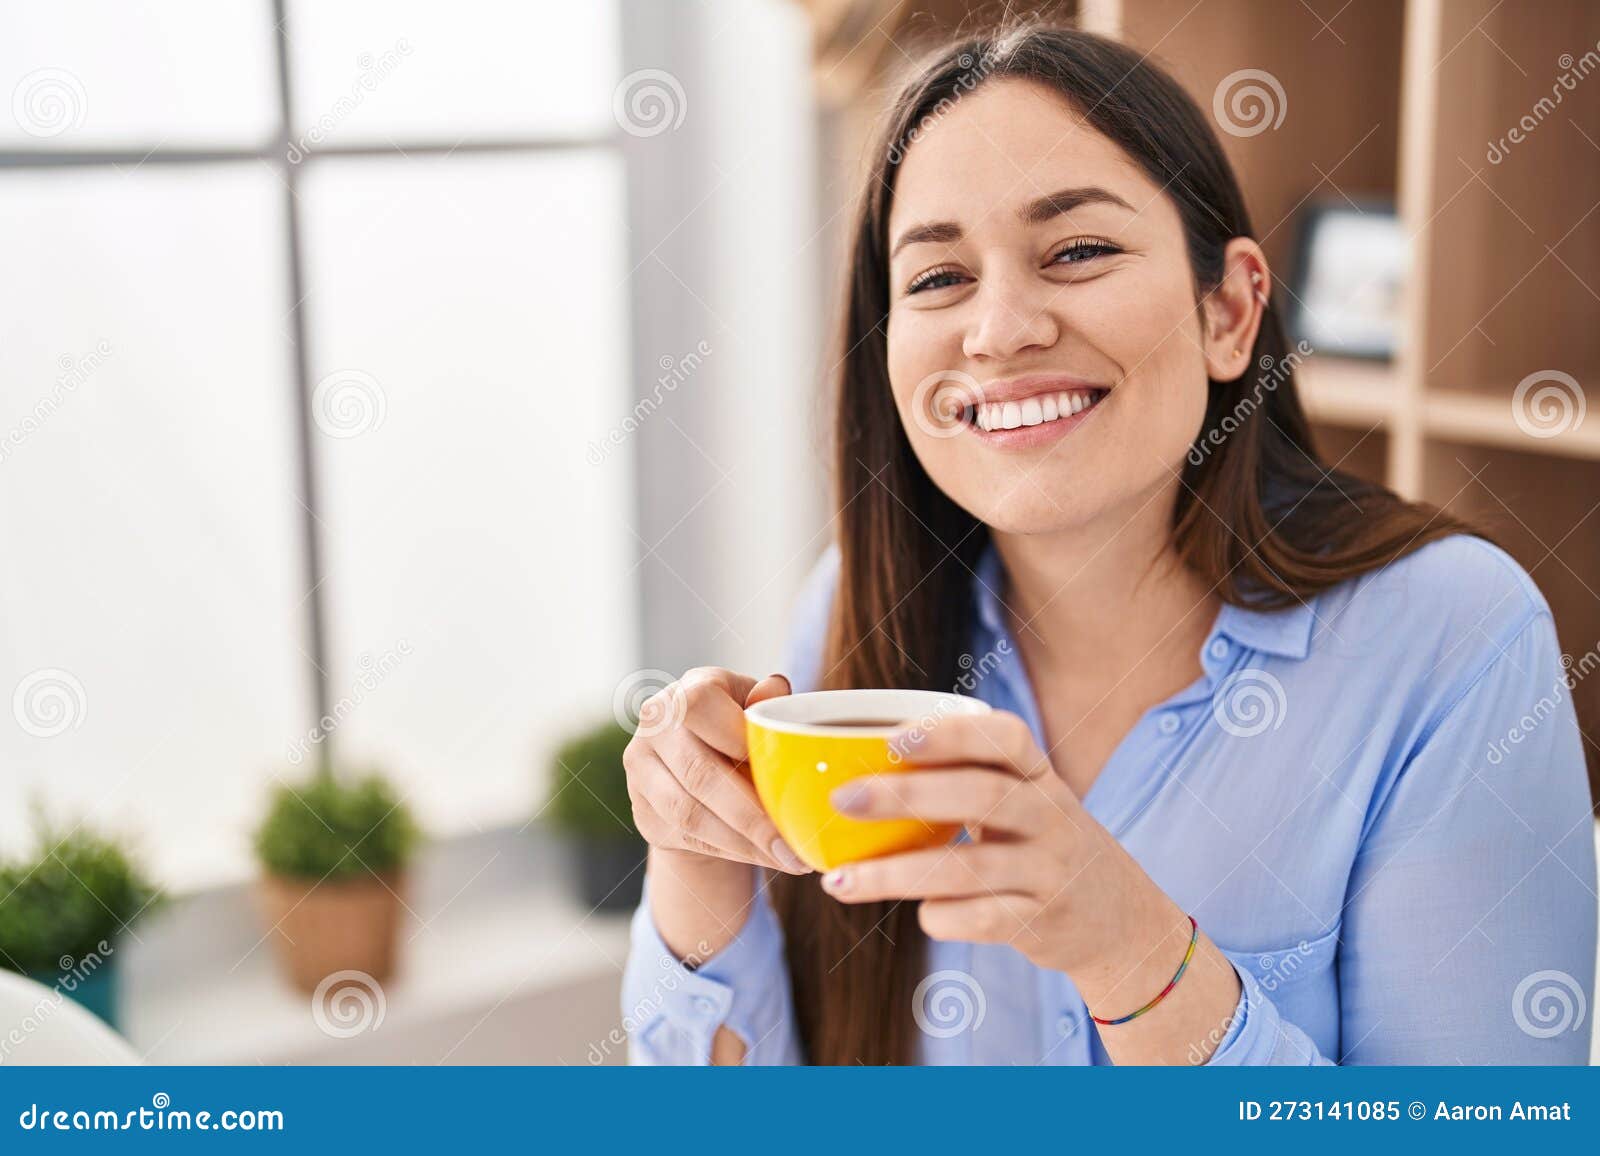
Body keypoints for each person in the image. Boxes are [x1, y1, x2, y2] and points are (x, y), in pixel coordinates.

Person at [619, 21, 1597, 1066]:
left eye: (1076, 250)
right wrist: (695, 861)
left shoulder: (1450, 636)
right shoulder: (858, 613)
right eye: (937, 278)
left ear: (1227, 311)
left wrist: (1132, 951)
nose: (997, 330)